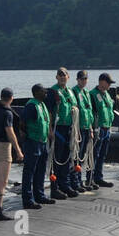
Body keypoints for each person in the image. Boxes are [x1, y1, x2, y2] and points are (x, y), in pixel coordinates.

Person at [0, 88, 23, 221]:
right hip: (4, 146)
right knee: (2, 182)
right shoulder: (8, 113)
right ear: (11, 98)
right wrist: (18, 150)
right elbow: (10, 132)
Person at [46, 67, 78, 200]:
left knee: (66, 158)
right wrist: (49, 130)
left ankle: (64, 185)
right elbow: (48, 111)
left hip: (69, 128)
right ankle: (54, 188)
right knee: (56, 159)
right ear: (56, 77)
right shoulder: (53, 92)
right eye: (60, 75)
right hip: (57, 129)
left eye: (64, 75)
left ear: (68, 77)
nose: (62, 77)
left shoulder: (70, 91)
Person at [20, 84, 53, 210]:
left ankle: (39, 195)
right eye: (43, 91)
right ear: (36, 92)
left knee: (41, 170)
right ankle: (28, 199)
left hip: (42, 142)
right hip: (33, 142)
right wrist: (27, 138)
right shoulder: (31, 106)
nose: (45, 92)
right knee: (29, 171)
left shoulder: (42, 104)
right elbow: (22, 123)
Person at [72, 70, 97, 192]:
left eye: (85, 79)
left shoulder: (87, 92)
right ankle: (75, 181)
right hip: (79, 128)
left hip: (87, 127)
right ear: (77, 80)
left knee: (83, 156)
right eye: (81, 79)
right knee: (76, 156)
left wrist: (91, 129)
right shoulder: (74, 92)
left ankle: (80, 180)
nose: (83, 81)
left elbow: (89, 111)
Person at [90, 73, 115, 187]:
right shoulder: (92, 94)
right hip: (98, 128)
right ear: (101, 82)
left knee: (102, 155)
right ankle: (90, 178)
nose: (109, 85)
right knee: (95, 154)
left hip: (107, 128)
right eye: (108, 82)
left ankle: (98, 177)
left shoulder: (107, 95)